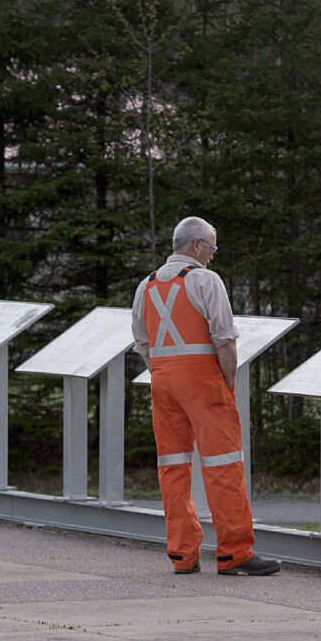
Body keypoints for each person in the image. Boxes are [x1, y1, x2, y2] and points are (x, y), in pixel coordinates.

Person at [131, 216, 281, 576]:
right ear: (196, 245)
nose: (214, 255)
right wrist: (227, 385)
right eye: (212, 248)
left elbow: (142, 344)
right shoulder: (206, 280)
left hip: (163, 383)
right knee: (223, 465)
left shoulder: (146, 286)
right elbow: (225, 340)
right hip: (203, 381)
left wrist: (163, 374)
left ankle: (183, 554)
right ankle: (235, 553)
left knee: (172, 468)